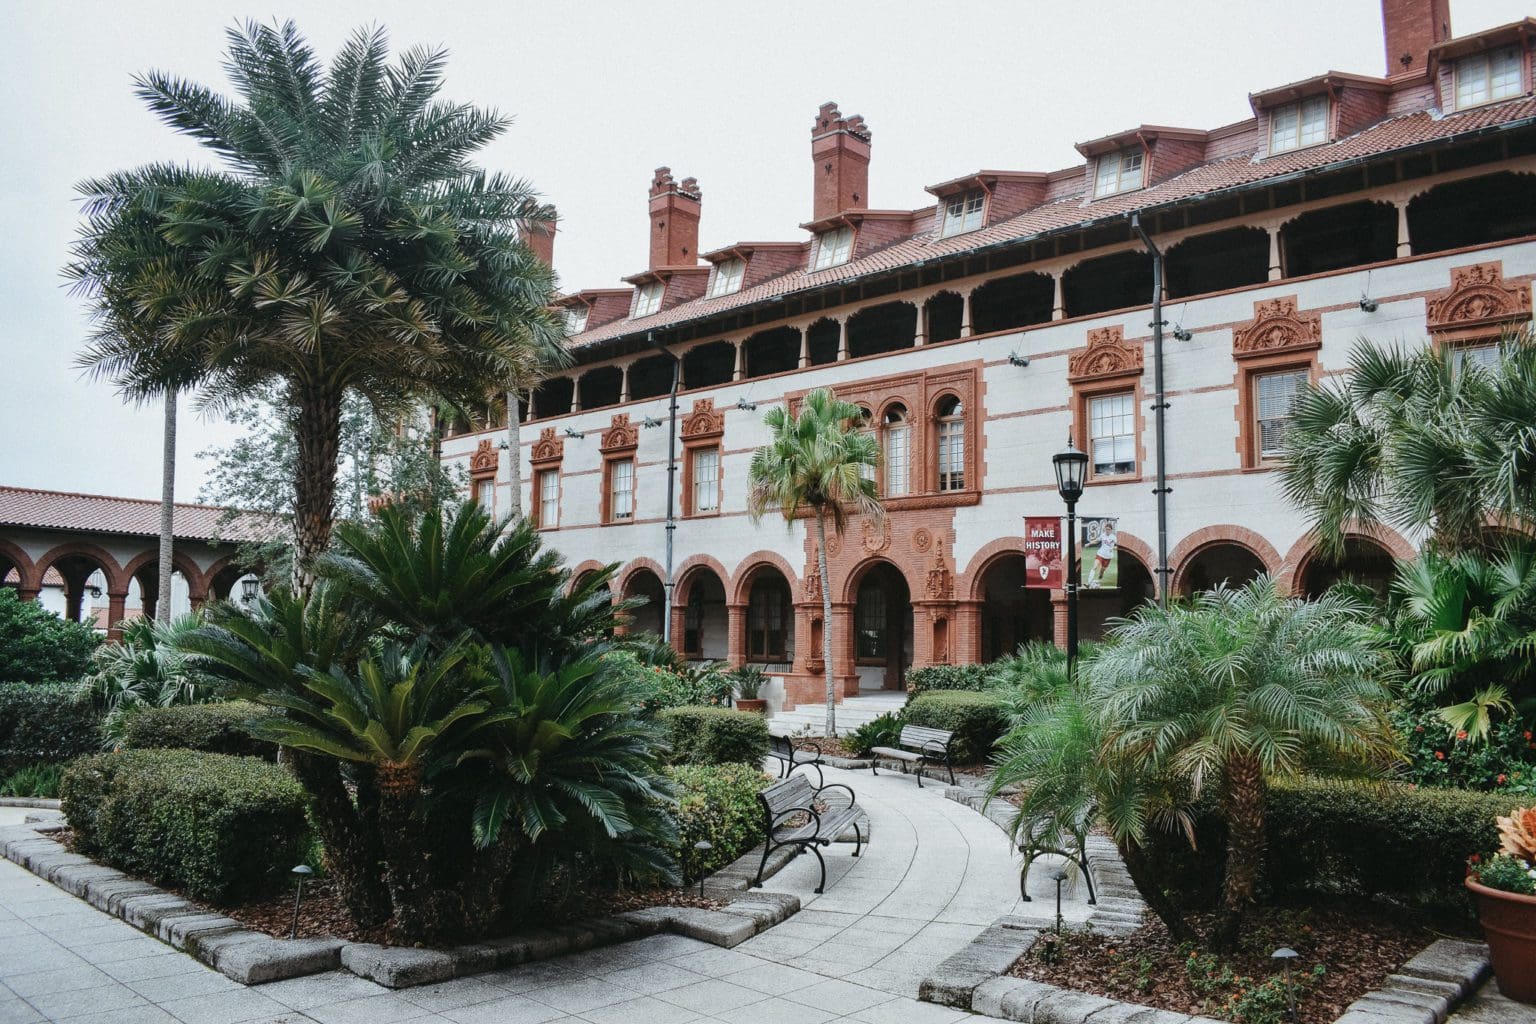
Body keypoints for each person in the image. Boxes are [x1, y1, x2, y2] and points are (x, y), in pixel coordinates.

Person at [1086, 519, 1117, 589]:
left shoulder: (1114, 537)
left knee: (1102, 571)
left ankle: (1100, 576)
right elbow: (1097, 541)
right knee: (1094, 567)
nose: (1107, 531)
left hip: (1108, 557)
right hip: (1100, 554)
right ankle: (1088, 583)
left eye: (1109, 529)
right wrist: (1089, 543)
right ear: (1105, 529)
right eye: (1106, 529)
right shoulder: (1103, 535)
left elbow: (1117, 546)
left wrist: (1114, 548)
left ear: (1111, 530)